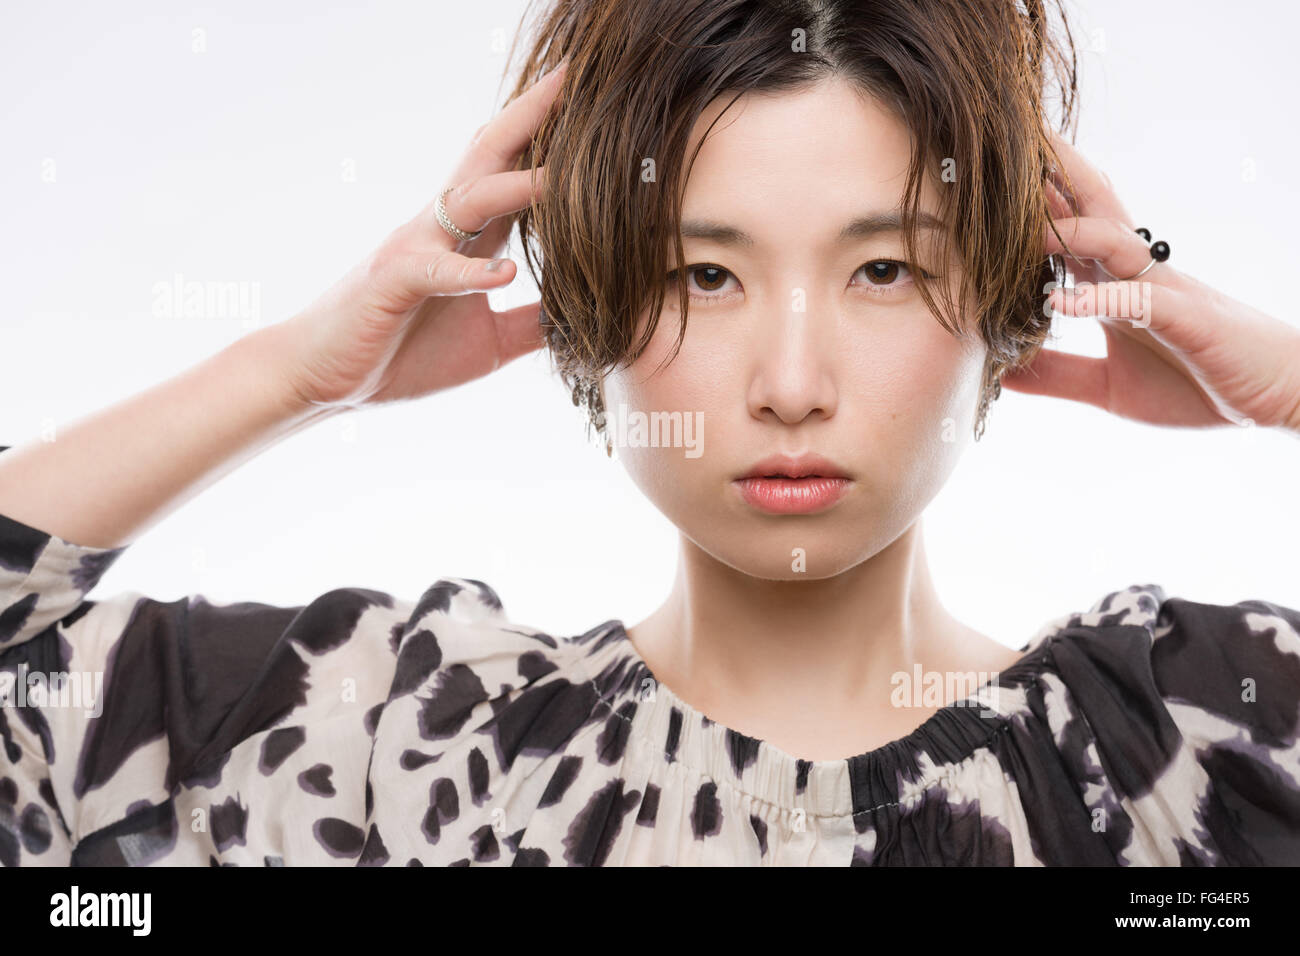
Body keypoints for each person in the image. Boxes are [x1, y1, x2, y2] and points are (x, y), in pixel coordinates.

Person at [2, 0, 1299, 866]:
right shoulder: (401, 747)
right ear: (586, 299)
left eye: (884, 272)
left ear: (1015, 302)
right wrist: (291, 371)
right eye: (704, 275)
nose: (792, 384)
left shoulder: (1187, 745)